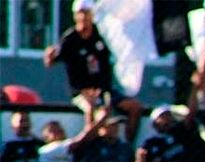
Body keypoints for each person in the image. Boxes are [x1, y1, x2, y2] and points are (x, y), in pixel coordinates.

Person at [43, 0, 143, 141]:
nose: (84, 18)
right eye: (80, 14)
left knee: (134, 108)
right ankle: (87, 147)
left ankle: (127, 146)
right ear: (75, 16)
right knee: (95, 112)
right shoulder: (70, 39)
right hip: (82, 92)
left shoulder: (101, 34)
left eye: (87, 13)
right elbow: (51, 61)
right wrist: (49, 55)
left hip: (104, 90)